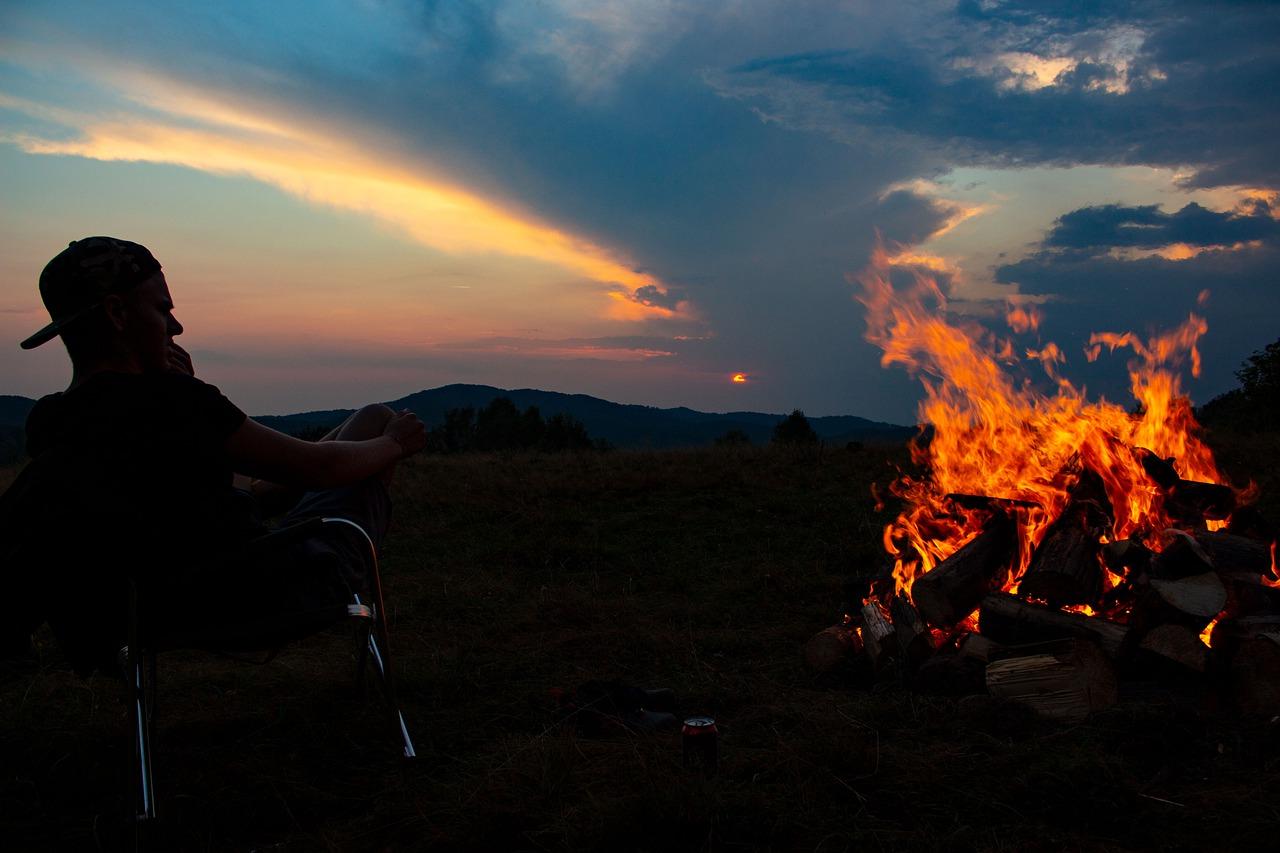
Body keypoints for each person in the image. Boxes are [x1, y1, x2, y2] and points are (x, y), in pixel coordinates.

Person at [4, 236, 427, 670]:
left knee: (370, 416)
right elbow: (319, 469)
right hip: (261, 593)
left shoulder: (53, 423)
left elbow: (239, 491)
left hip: (146, 611)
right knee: (379, 423)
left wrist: (189, 404)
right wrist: (395, 443)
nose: (176, 326)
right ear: (117, 313)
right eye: (162, 309)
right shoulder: (174, 403)